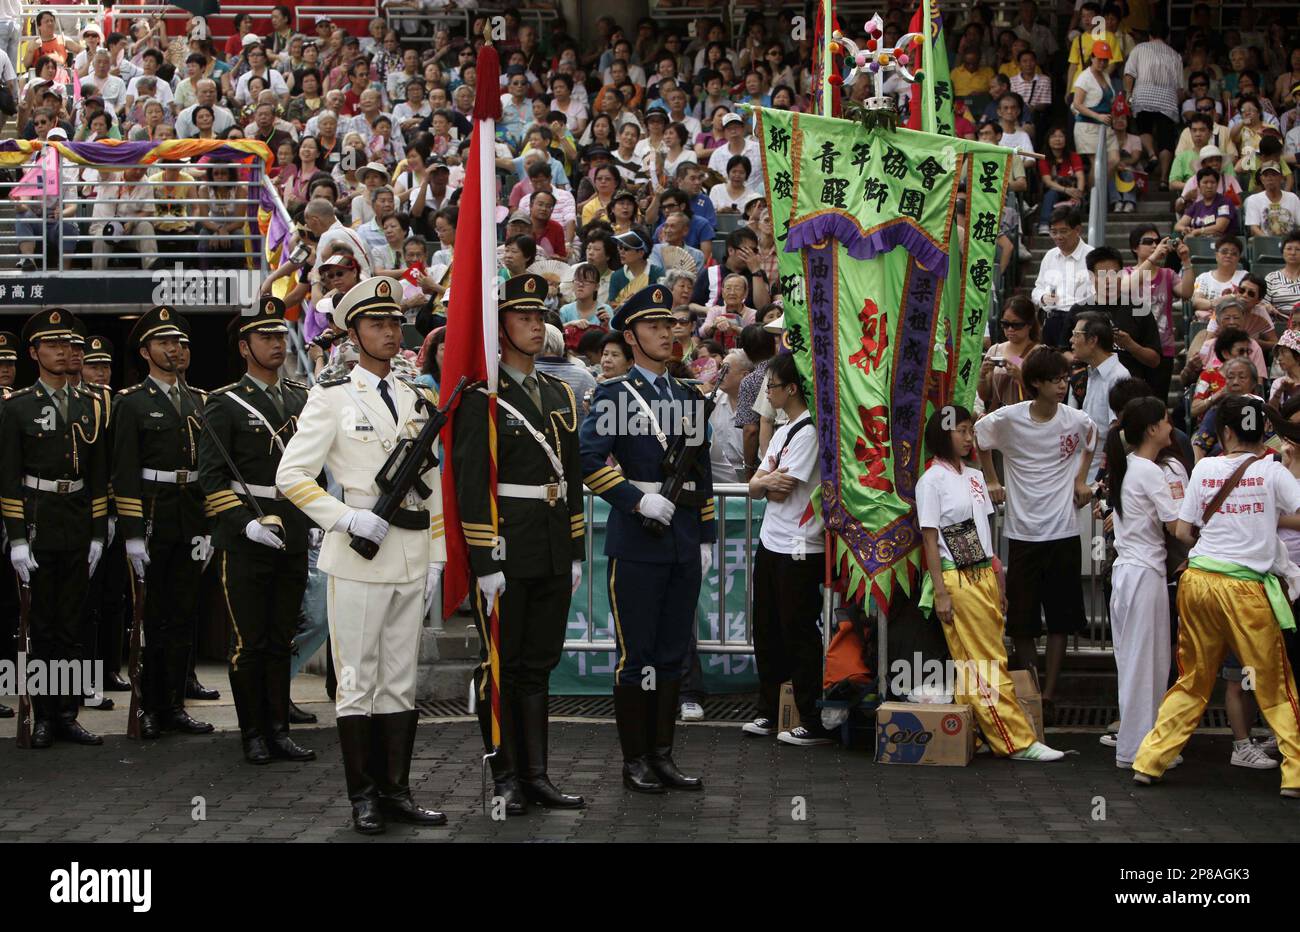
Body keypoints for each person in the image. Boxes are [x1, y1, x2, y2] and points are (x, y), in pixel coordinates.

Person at [276, 276, 448, 834]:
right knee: (358, 679)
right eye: (377, 323)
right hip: (357, 553)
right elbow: (292, 476)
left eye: (395, 322)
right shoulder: (329, 397)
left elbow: (435, 483)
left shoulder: (417, 397)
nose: (389, 331)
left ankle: (396, 791)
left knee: (400, 679)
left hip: (411, 551)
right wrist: (345, 517)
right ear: (353, 333)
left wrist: (439, 555)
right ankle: (364, 797)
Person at [452, 274, 586, 815]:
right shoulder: (481, 396)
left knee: (537, 664)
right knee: (501, 667)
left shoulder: (557, 392)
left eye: (541, 317)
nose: (537, 325)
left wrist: (575, 549)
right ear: (499, 328)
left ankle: (537, 775)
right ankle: (505, 775)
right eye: (524, 317)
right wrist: (484, 558)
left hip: (552, 543)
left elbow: (571, 476)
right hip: (507, 544)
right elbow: (470, 480)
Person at [579, 284, 717, 793]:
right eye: (655, 326)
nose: (667, 332)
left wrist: (704, 534)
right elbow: (588, 460)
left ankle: (663, 754)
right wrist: (635, 500)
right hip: (639, 540)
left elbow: (699, 472)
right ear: (632, 336)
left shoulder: (687, 395)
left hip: (680, 539)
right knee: (636, 656)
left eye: (671, 324)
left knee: (672, 651)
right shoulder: (615, 395)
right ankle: (635, 758)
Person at [1133, 396, 1300, 797]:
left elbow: (1184, 531)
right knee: (1273, 683)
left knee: (1193, 679)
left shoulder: (1204, 467)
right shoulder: (1272, 471)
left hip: (1199, 581)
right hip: (1246, 591)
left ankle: (1150, 761)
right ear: (1264, 432)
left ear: (1225, 432)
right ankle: (1294, 775)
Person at [198, 299, 316, 766]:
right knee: (251, 639)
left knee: (282, 635)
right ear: (245, 346)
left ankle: (279, 729)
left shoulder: (301, 397)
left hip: (291, 527)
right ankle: (252, 733)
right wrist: (245, 522)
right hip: (246, 533)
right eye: (266, 337)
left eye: (281, 336)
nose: (277, 344)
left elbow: (313, 470)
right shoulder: (224, 402)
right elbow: (210, 477)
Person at [918, 404, 1065, 761]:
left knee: (979, 660)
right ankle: (1015, 740)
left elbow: (985, 535)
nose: (970, 438)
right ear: (943, 434)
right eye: (962, 431)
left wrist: (998, 581)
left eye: (971, 431)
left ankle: (980, 734)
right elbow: (929, 540)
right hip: (958, 578)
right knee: (987, 660)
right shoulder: (932, 481)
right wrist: (940, 592)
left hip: (983, 572)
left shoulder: (974, 475)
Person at [0, 309, 107, 748]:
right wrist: (18, 538)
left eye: (69, 344)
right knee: (41, 626)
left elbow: (99, 473)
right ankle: (43, 713)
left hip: (78, 516)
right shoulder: (18, 405)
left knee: (73, 624)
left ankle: (68, 713)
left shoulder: (92, 404)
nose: (64, 352)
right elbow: (8, 475)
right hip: (40, 516)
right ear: (33, 352)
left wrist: (99, 530)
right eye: (52, 344)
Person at [976, 348, 1097, 721]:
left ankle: (1050, 691)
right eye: (1055, 380)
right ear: (1036, 385)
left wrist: (1079, 481)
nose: (1063, 385)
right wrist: (993, 479)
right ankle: (1029, 687)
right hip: (1022, 531)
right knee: (1023, 621)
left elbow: (1090, 444)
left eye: (1064, 379)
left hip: (1063, 530)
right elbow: (979, 439)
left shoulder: (1076, 420)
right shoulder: (1009, 420)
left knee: (1061, 617)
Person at [112, 306, 213, 740]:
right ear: (146, 351)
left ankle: (175, 704)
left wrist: (211, 525)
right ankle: (149, 704)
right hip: (153, 515)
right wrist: (133, 534)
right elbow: (124, 471)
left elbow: (211, 470)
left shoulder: (203, 400)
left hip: (191, 514)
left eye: (181, 343)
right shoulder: (131, 402)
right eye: (165, 343)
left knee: (183, 613)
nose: (176, 350)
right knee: (150, 617)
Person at [742, 351, 834, 746]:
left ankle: (812, 717)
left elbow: (781, 488)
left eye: (773, 386)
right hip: (771, 542)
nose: (768, 392)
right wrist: (764, 481)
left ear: (792, 388)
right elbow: (756, 483)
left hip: (800, 546)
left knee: (798, 631)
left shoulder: (810, 432)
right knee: (766, 628)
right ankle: (768, 710)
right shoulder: (782, 430)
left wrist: (765, 482)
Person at [1105, 397, 1187, 769]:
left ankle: (1144, 744)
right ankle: (1139, 749)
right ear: (1152, 429)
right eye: (1167, 421)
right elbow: (1179, 527)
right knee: (1146, 665)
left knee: (1139, 663)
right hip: (1143, 576)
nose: (1171, 427)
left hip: (1129, 573)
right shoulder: (1150, 472)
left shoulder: (1131, 468)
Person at [1031, 206, 1094, 347]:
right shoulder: (1050, 256)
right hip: (1052, 320)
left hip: (1080, 325)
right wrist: (1043, 298)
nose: (1058, 237)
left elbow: (1097, 295)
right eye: (1054, 232)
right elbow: (1037, 288)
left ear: (1077, 230)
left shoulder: (1091, 256)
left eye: (1063, 231)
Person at [1245, 162, 1300, 237]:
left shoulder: (1293, 198)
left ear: (1281, 177)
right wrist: (1270, 241)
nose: (1269, 178)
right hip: (1265, 244)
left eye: (1274, 175)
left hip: (1289, 243)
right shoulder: (1253, 200)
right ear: (1262, 179)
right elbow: (1254, 228)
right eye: (1266, 175)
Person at [1265, 231, 1300, 317]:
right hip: (1280, 325)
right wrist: (1267, 307)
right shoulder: (1271, 278)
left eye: (1298, 249)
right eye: (1289, 249)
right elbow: (1263, 304)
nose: (1293, 253)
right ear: (1282, 252)